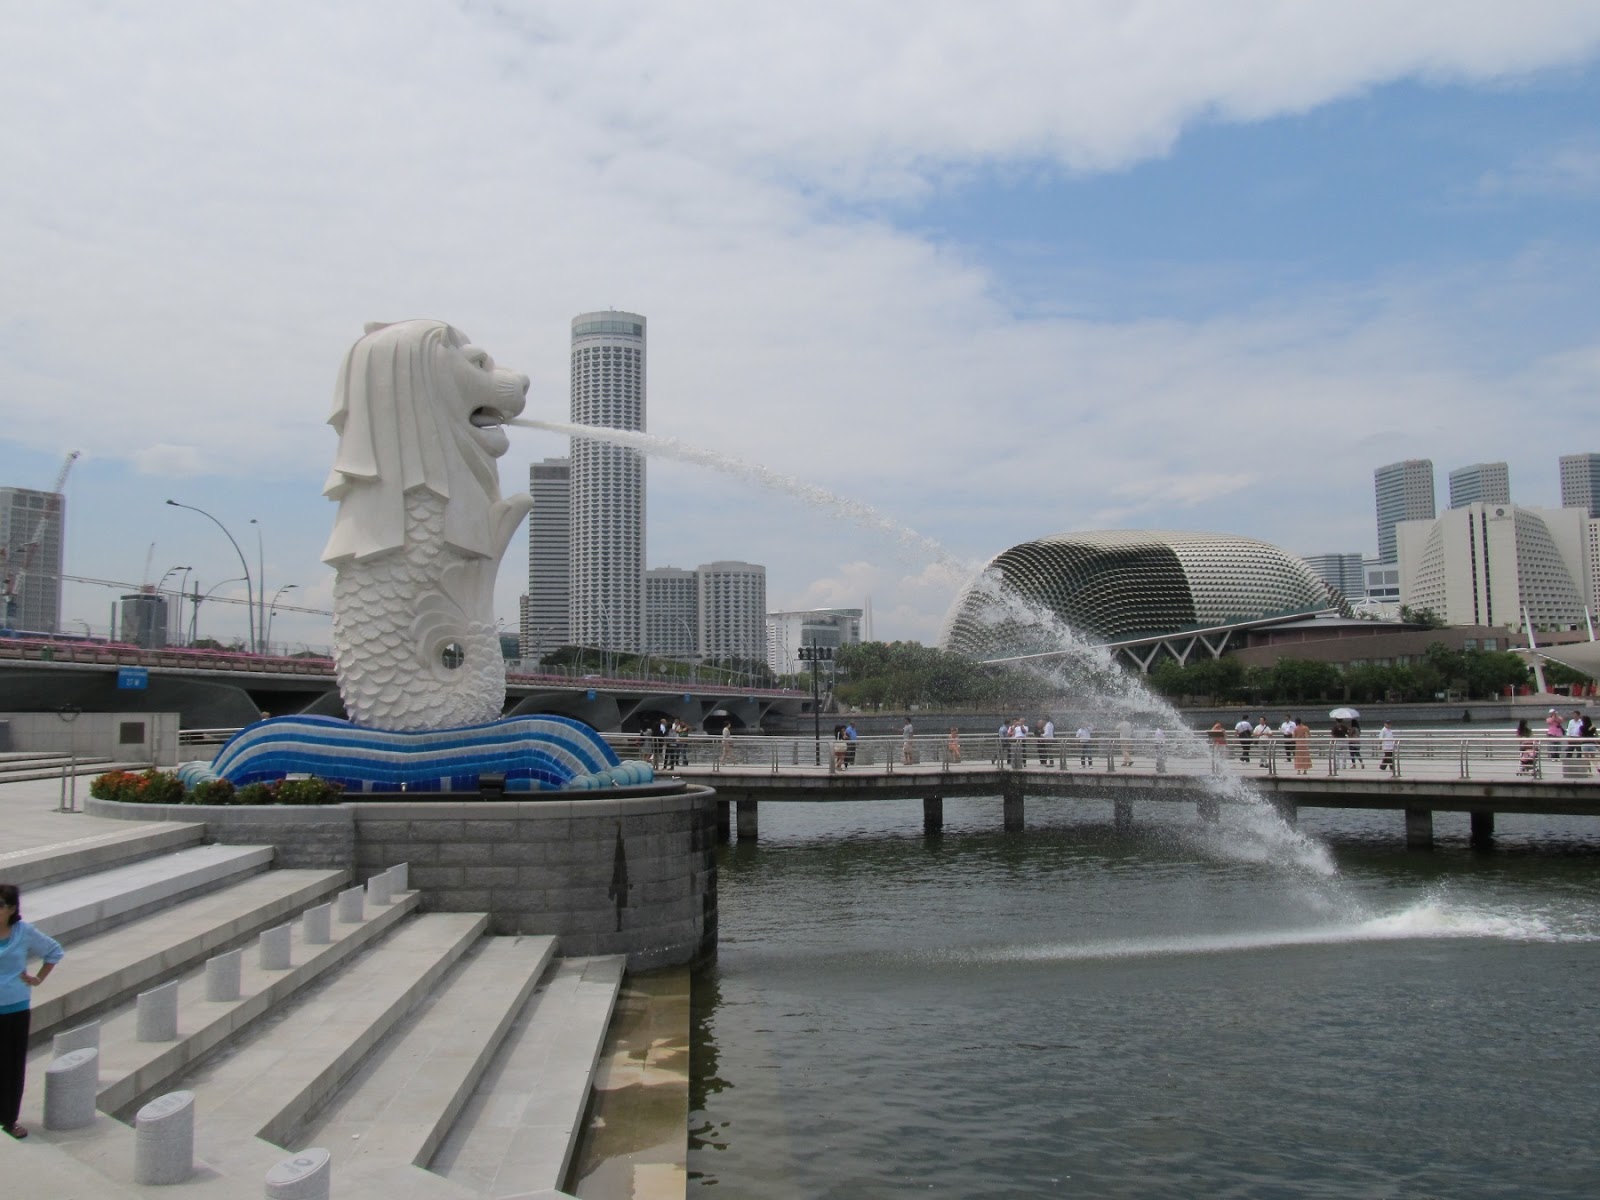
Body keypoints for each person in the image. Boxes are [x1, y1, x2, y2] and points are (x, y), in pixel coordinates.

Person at [1, 883, 66, 1139]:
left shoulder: (23, 932)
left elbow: (53, 951)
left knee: (12, 1064)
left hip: (15, 1007)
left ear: (12, 909)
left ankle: (8, 1118)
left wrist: (38, 978)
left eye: (0, 906)